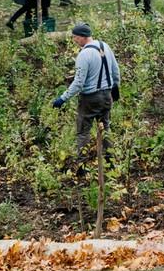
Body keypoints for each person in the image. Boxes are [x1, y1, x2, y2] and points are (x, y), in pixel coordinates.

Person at [51, 22, 121, 168]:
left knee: (83, 132)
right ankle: (111, 162)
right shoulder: (104, 46)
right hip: (106, 95)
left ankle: (82, 166)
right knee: (105, 128)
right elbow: (115, 70)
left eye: (75, 37)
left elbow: (79, 82)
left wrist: (62, 99)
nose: (74, 40)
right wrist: (115, 87)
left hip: (90, 99)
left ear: (83, 37)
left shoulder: (84, 55)